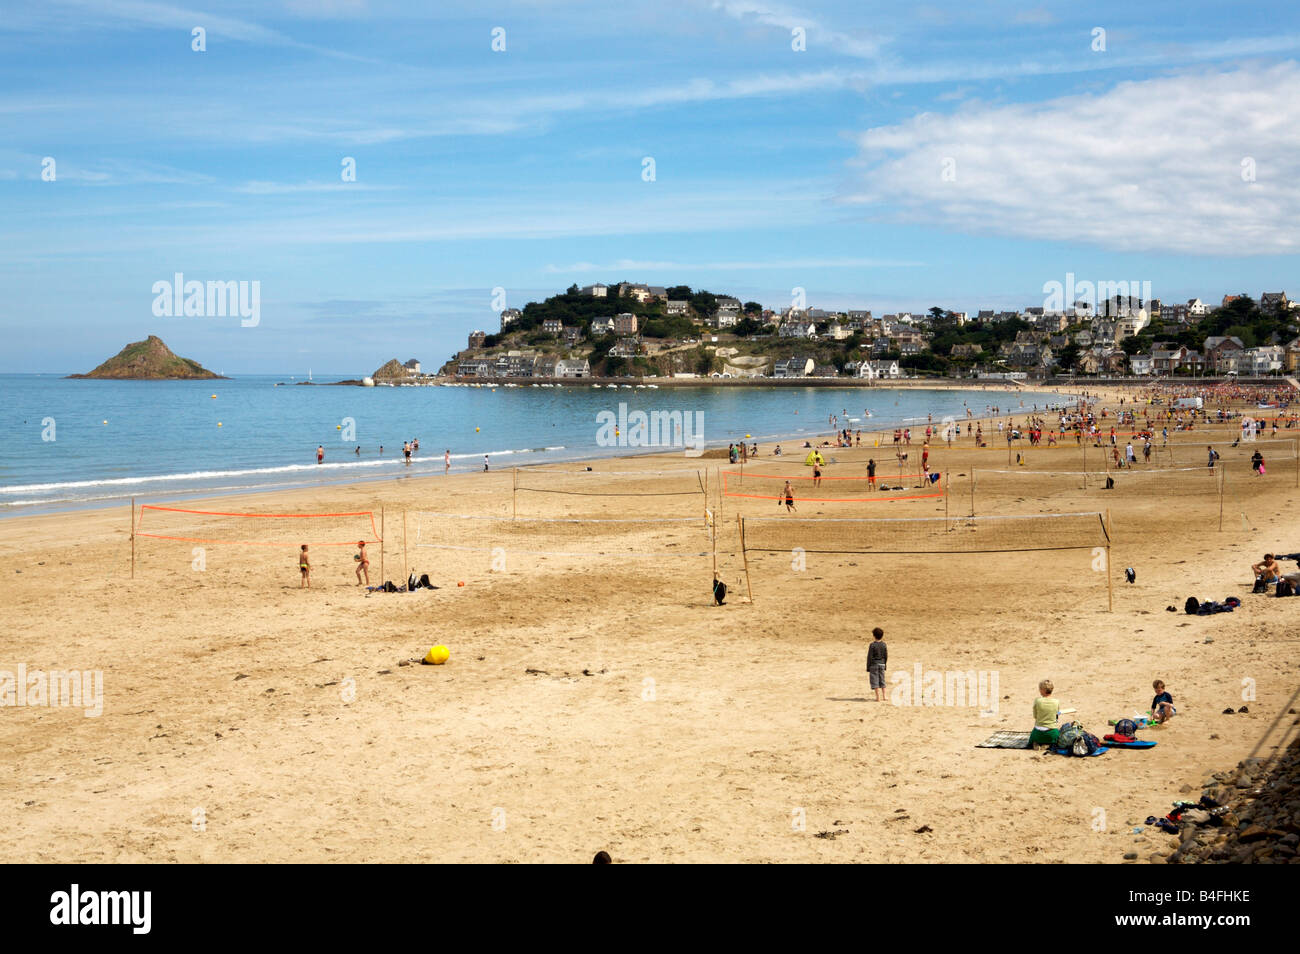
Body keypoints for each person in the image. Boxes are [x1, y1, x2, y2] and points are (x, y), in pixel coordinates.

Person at [1030, 679, 1061, 749]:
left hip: (1037, 733)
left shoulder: (1037, 701)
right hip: (1052, 733)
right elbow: (1057, 716)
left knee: (1035, 736)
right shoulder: (1057, 702)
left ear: (1042, 690)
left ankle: (1037, 743)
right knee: (1057, 737)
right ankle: (1048, 744)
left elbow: (1035, 716)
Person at [867, 626, 887, 702]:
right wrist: (885, 664)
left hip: (874, 665)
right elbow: (885, 655)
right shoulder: (884, 645)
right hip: (882, 664)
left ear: (874, 636)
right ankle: (884, 696)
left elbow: (869, 657)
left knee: (875, 680)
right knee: (882, 679)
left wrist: (868, 667)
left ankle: (878, 697)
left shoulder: (872, 645)